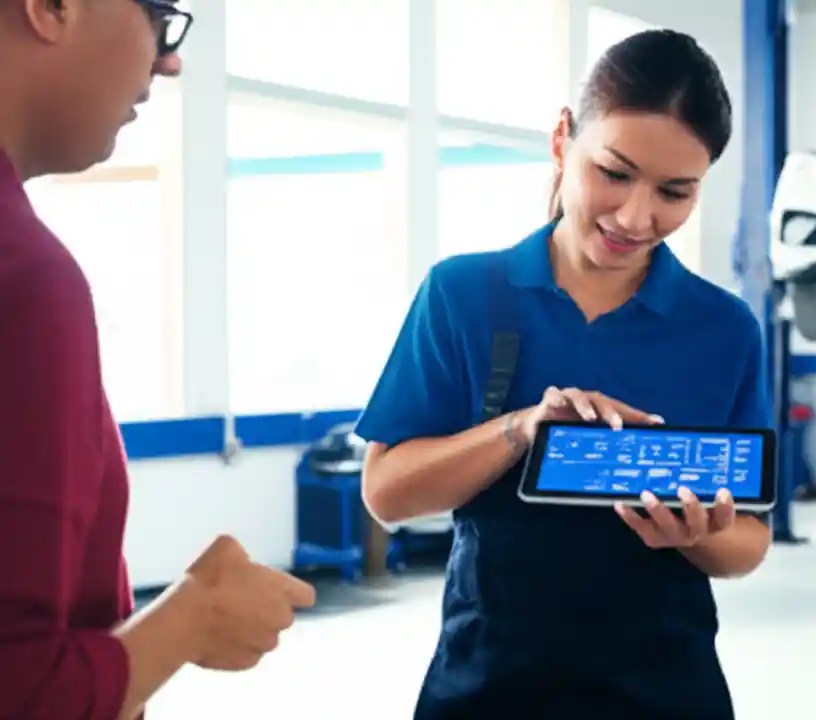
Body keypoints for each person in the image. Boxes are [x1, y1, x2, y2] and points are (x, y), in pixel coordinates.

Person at [358, 28, 772, 719]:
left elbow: (750, 541)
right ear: (562, 139)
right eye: (614, 173)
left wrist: (697, 534)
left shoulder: (723, 329)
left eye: (675, 192)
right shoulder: (465, 295)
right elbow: (388, 494)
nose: (636, 217)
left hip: (664, 693)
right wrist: (521, 429)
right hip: (486, 688)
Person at [0, 2, 315, 718]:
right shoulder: (23, 275)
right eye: (158, 16)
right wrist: (192, 618)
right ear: (51, 7)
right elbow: (20, 693)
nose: (169, 61)